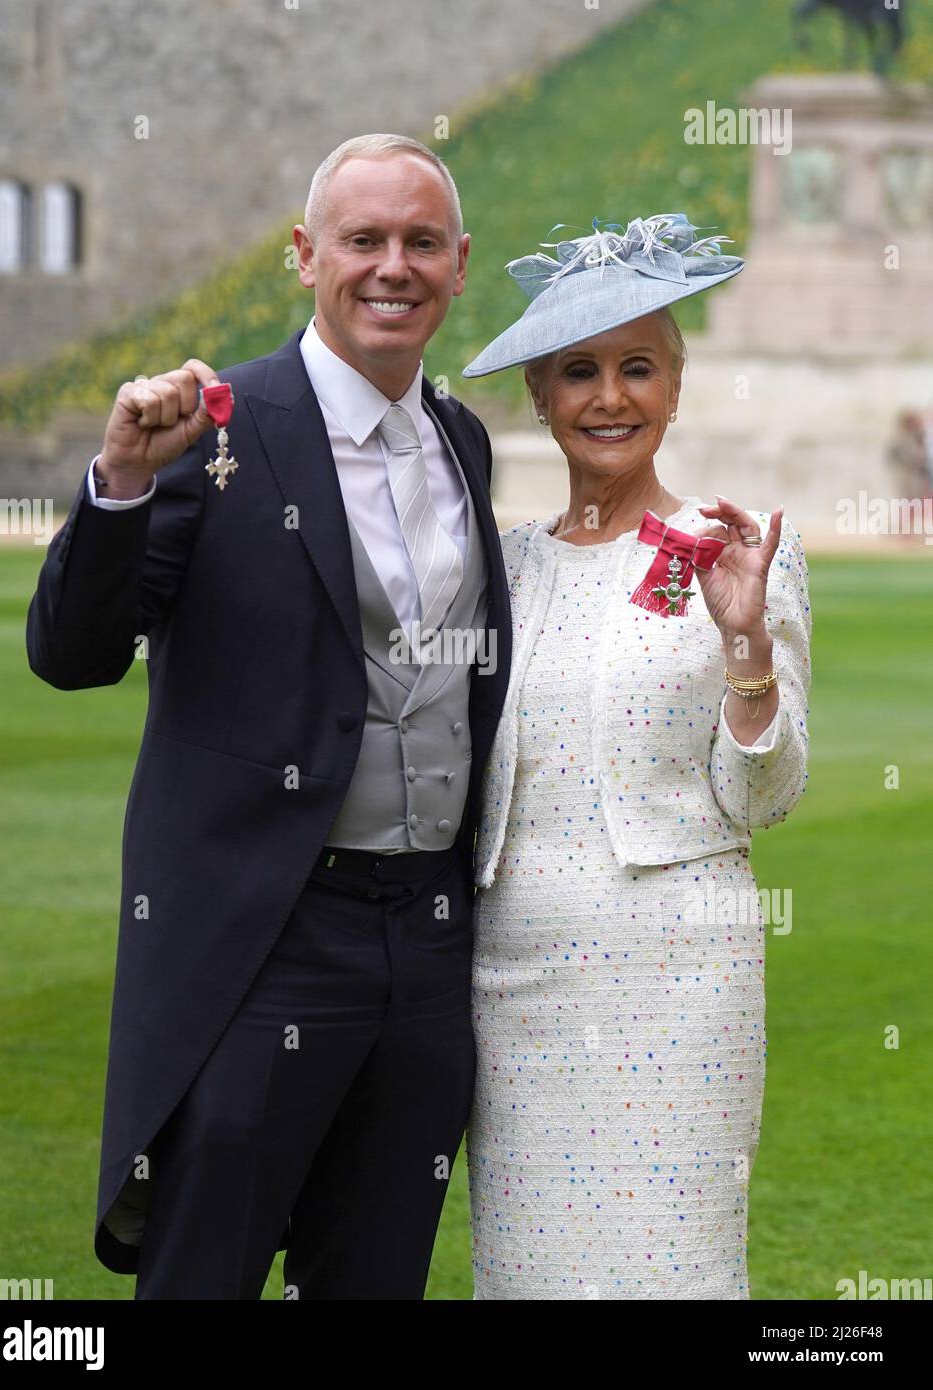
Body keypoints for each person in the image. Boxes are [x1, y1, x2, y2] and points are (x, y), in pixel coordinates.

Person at [26, 133, 512, 1299]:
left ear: (456, 264)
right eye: (362, 240)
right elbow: (73, 653)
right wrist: (124, 481)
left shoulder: (461, 437)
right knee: (206, 1271)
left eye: (419, 242)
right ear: (305, 255)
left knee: (373, 1274)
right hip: (269, 939)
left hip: (430, 940)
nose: (391, 266)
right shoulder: (217, 425)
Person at [460, 213, 812, 1299]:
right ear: (537, 396)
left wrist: (744, 637)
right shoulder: (497, 565)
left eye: (636, 368)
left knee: (674, 1269)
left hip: (678, 972)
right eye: (578, 371)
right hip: (510, 973)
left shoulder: (739, 546)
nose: (607, 396)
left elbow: (764, 793)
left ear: (673, 388)